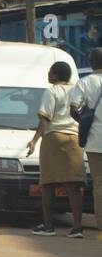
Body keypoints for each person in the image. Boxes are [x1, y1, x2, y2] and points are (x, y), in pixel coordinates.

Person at [26, 60, 86, 237]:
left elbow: (45, 119)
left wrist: (34, 141)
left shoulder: (51, 91)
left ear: (56, 75)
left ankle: (48, 225)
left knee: (48, 184)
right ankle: (77, 228)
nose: (48, 74)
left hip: (53, 138)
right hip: (74, 138)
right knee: (73, 185)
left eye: (50, 72)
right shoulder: (76, 89)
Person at [69, 47, 102, 237]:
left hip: (96, 139)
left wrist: (84, 120)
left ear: (91, 63)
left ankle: (101, 227)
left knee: (99, 184)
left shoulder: (85, 82)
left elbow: (73, 108)